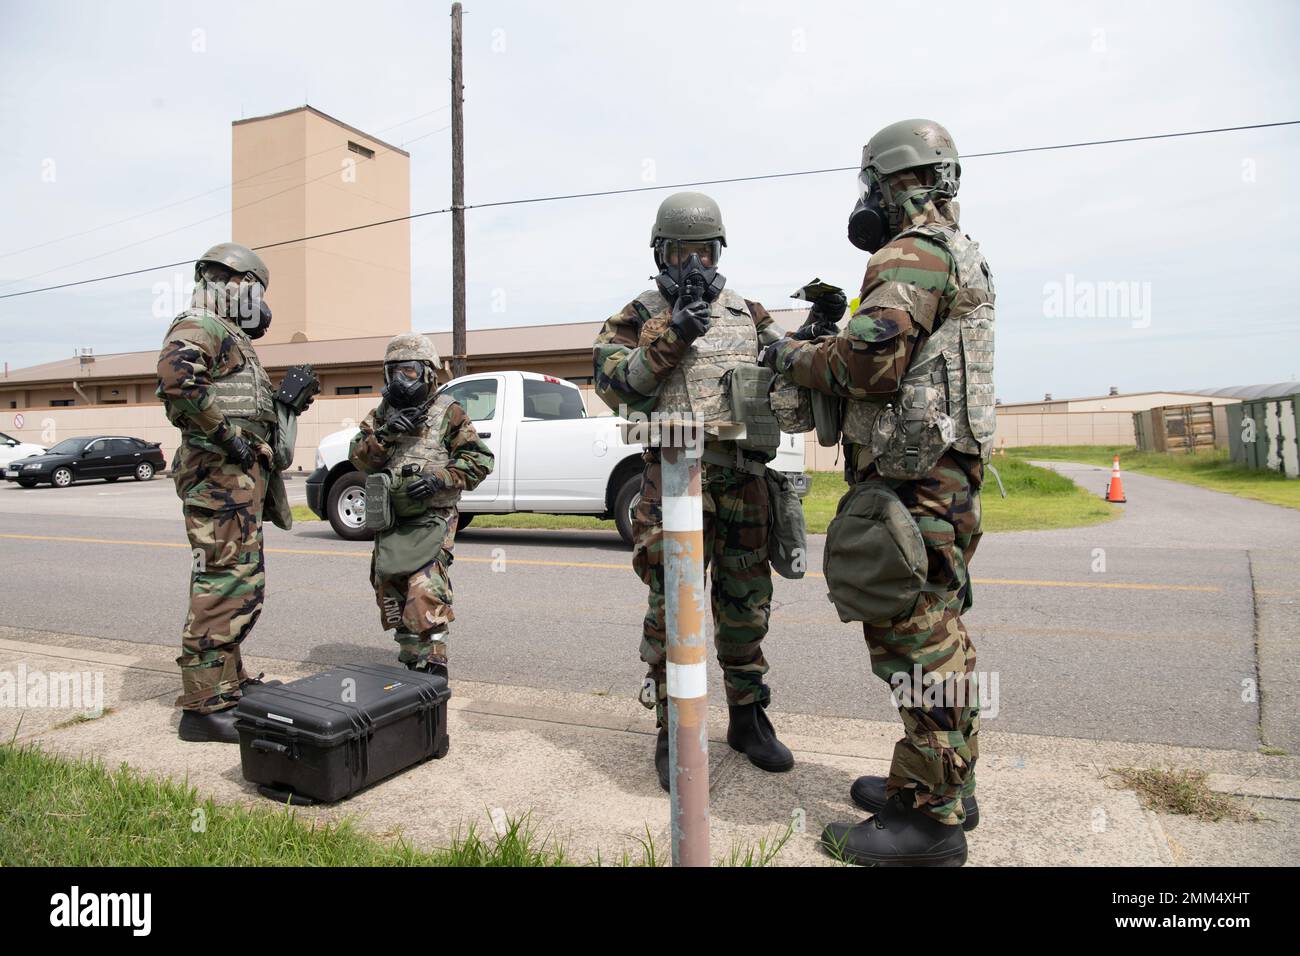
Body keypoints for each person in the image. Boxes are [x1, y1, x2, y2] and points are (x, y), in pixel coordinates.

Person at [763, 120, 995, 865]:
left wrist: (792, 355)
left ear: (893, 182)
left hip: (912, 487)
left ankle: (928, 827)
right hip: (947, 483)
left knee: (916, 643)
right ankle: (940, 783)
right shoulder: (960, 251)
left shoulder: (912, 252)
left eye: (870, 184)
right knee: (942, 633)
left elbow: (870, 366)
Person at [593, 191, 794, 792]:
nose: (696, 265)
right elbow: (617, 385)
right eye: (683, 252)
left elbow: (783, 362)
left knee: (747, 603)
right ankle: (671, 728)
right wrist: (673, 334)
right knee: (669, 608)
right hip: (676, 480)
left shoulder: (746, 312)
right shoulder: (637, 313)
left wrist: (807, 341)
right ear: (661, 252)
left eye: (705, 252)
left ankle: (747, 715)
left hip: (744, 478)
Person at [157, 242, 315, 742]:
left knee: (239, 581)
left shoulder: (228, 336)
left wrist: (284, 408)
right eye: (256, 289)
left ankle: (228, 683)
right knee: (224, 582)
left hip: (236, 483)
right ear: (233, 281)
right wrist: (228, 439)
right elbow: (177, 383)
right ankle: (203, 707)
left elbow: (249, 413)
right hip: (220, 479)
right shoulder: (200, 323)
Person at [349, 334, 494, 676]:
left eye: (409, 371)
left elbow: (479, 460)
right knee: (391, 586)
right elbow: (359, 460)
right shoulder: (381, 414)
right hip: (392, 517)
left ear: (428, 373)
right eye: (393, 372)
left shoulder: (448, 412)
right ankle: (410, 658)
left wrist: (440, 478)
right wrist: (383, 437)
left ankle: (434, 659)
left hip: (432, 516)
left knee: (425, 587)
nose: (401, 379)